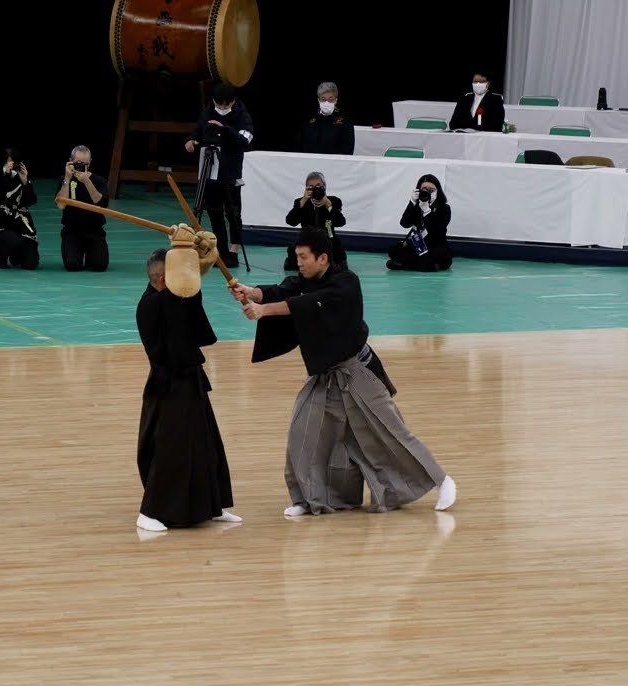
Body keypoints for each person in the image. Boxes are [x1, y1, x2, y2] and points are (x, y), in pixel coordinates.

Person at [229, 229, 457, 517]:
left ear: (323, 258)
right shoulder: (305, 281)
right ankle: (308, 499)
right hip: (325, 377)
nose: (298, 262)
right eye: (297, 257)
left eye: (303, 257)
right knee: (303, 433)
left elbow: (305, 304)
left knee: (391, 432)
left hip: (358, 372)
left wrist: (264, 310)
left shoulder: (346, 283)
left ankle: (441, 480)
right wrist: (251, 292)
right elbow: (282, 290)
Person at [135, 248, 242, 532]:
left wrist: (196, 266)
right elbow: (173, 323)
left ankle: (211, 505)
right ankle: (150, 511)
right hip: (168, 384)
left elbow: (197, 330)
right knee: (171, 449)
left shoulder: (170, 299)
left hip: (189, 380)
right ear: (160, 278)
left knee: (205, 443)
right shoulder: (150, 304)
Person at [185, 82, 253, 268]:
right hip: (210, 171)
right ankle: (220, 249)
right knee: (214, 212)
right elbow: (198, 133)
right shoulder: (207, 113)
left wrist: (224, 128)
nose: (222, 108)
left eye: (226, 104)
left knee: (233, 213)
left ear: (232, 101)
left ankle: (234, 249)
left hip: (231, 171)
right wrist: (191, 141)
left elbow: (245, 140)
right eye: (219, 104)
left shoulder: (242, 115)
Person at [53, 145, 111, 272]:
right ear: (70, 161)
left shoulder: (99, 180)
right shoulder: (64, 180)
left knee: (100, 266)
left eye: (85, 163)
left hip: (94, 230)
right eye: (78, 163)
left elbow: (101, 203)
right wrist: (67, 179)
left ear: (90, 162)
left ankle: (92, 253)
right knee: (72, 265)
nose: (81, 166)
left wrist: (86, 181)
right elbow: (60, 204)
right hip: (72, 230)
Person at [0, 148, 39, 270]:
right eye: (8, 161)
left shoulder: (20, 179)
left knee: (31, 263)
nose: (11, 164)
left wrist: (25, 182)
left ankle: (16, 255)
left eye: (13, 161)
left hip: (22, 226)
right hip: (1, 226)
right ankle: (2, 255)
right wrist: (6, 174)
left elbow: (31, 201)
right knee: (13, 241)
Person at [284, 171, 346, 272]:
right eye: (311, 187)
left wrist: (328, 205)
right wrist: (303, 201)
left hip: (328, 240)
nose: (315, 189)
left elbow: (341, 222)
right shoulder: (301, 202)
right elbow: (291, 221)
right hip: (307, 241)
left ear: (324, 187)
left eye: (318, 186)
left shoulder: (334, 201)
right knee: (292, 259)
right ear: (306, 188)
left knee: (339, 262)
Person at [389, 174, 452, 272]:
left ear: (438, 191)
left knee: (441, 255)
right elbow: (405, 224)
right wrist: (412, 203)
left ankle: (406, 265)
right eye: (424, 189)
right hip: (418, 246)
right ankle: (425, 266)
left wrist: (427, 210)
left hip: (435, 246)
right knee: (393, 249)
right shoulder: (417, 207)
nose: (428, 192)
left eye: (431, 190)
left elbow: (437, 232)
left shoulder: (444, 208)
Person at [293, 81, 355, 155]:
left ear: (336, 100)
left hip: (336, 163)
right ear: (318, 100)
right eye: (323, 99)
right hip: (312, 163)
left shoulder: (345, 121)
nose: (326, 102)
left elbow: (348, 148)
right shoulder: (309, 120)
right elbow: (301, 145)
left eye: (330, 99)